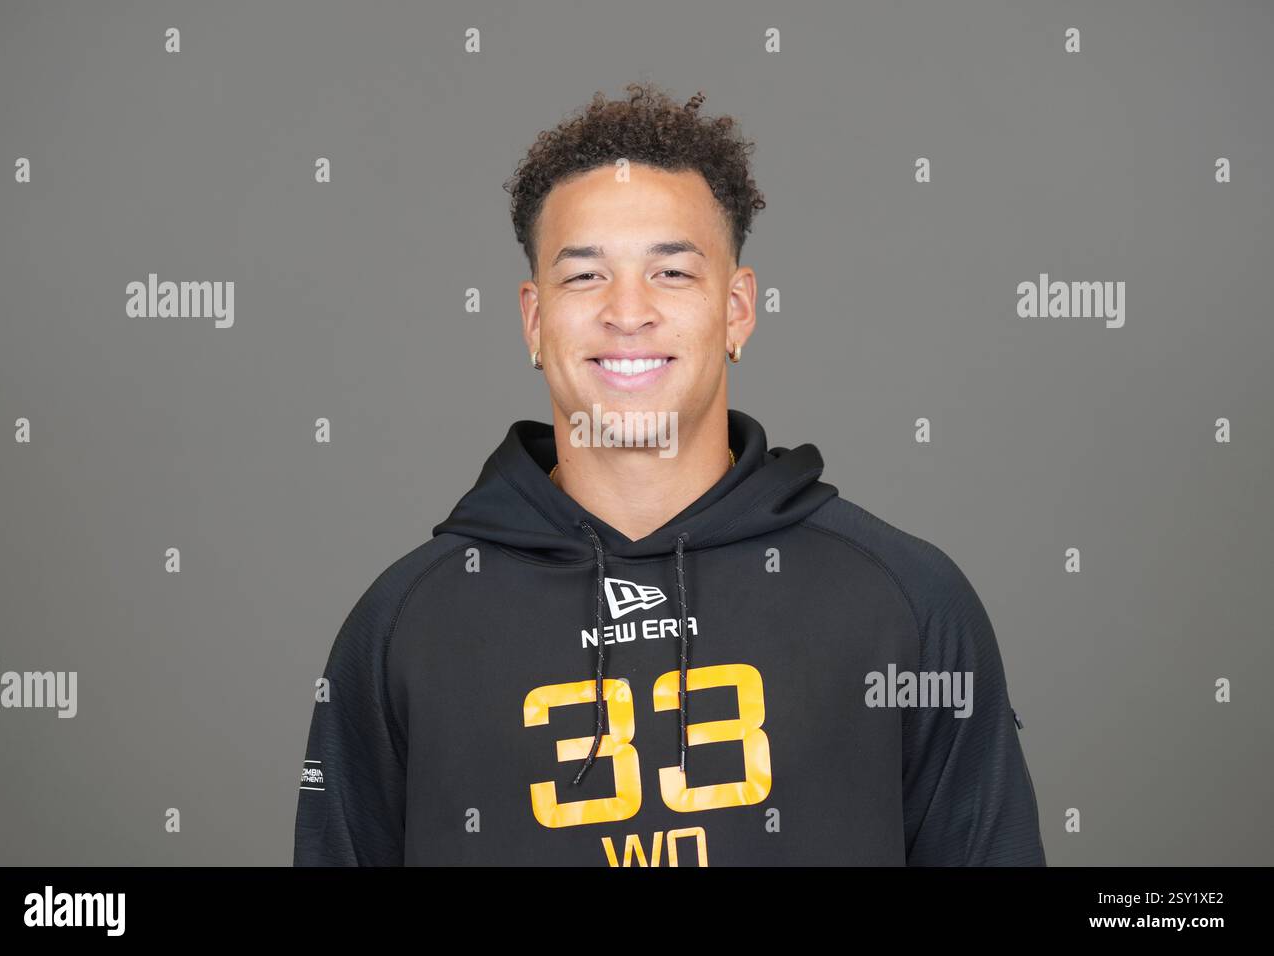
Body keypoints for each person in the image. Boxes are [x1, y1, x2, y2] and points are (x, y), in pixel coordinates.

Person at [293, 81, 1045, 866]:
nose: (627, 312)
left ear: (738, 309)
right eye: (584, 275)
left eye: (673, 274)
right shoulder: (404, 627)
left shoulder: (907, 601)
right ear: (534, 320)